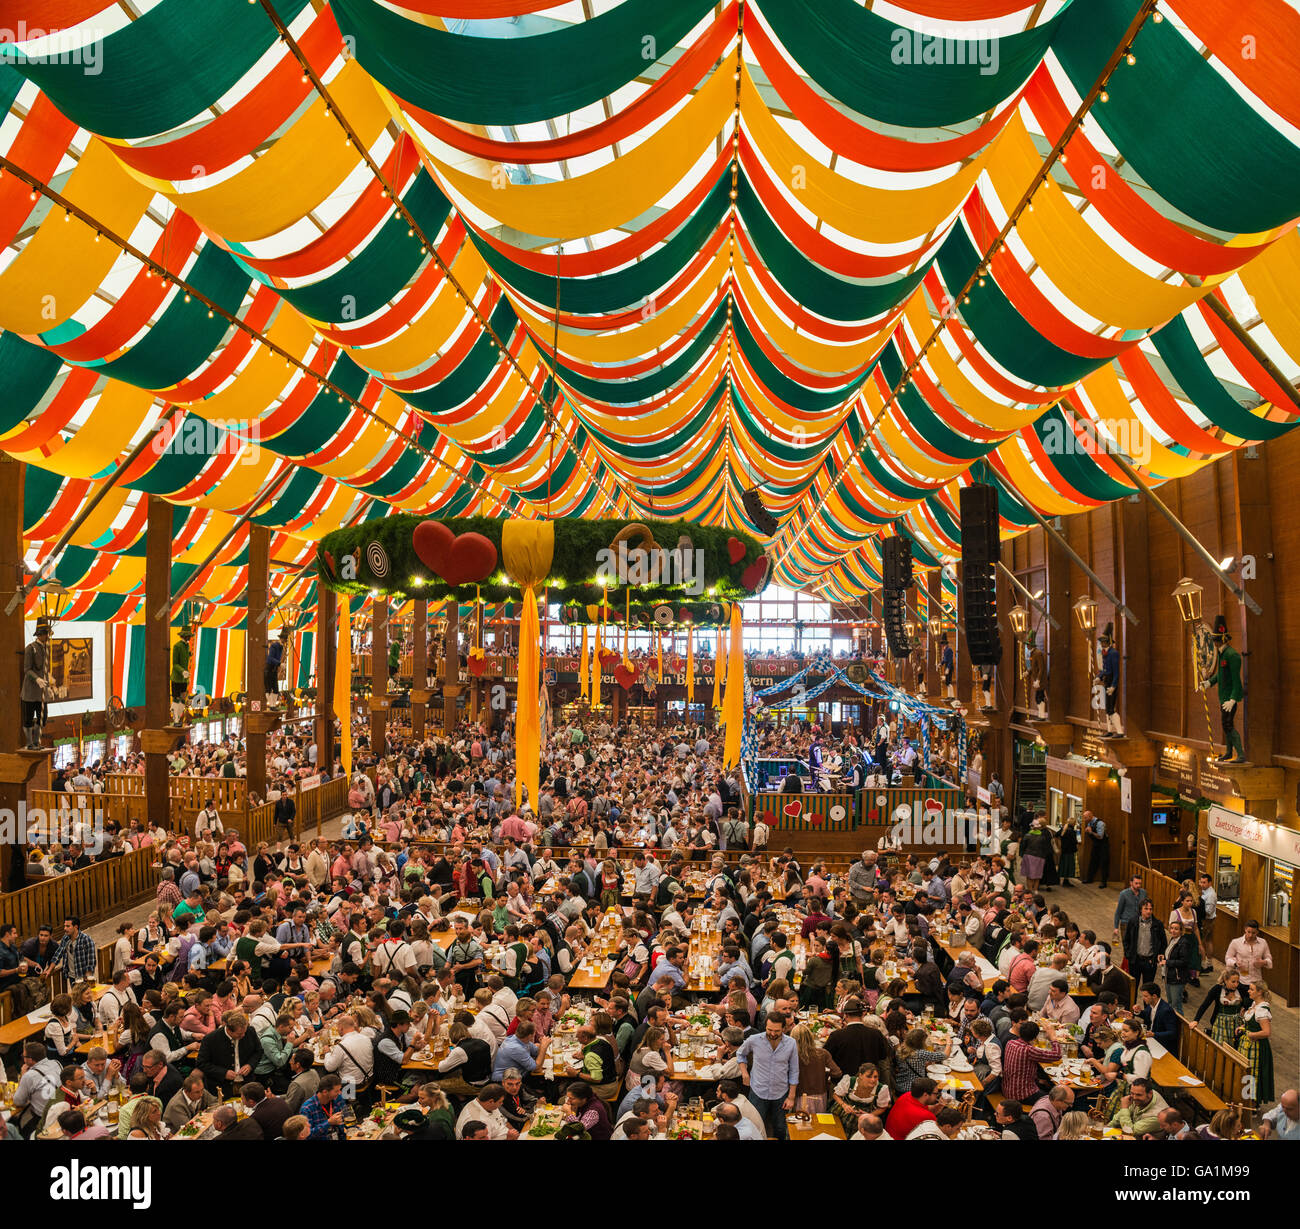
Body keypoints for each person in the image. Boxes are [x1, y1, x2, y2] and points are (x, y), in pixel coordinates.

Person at [735, 1011, 799, 1140]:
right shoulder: (754, 1040)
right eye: (770, 1030)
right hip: (758, 1090)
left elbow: (794, 1070)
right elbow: (740, 1054)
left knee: (780, 1128)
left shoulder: (791, 1043)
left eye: (777, 1031)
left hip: (781, 1093)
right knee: (754, 1126)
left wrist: (791, 1097)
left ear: (784, 1028)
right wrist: (744, 1073)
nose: (773, 1034)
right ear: (765, 1026)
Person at [1237, 979, 1273, 1105]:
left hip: (1255, 1047)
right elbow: (1252, 1024)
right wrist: (1243, 1028)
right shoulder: (1254, 1005)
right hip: (1247, 1044)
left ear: (1260, 992)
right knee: (1245, 1073)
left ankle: (1251, 1104)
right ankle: (1244, 1099)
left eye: (1251, 989)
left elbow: (1266, 1032)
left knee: (1251, 1074)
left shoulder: (1262, 1010)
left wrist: (1252, 1034)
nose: (1248, 991)